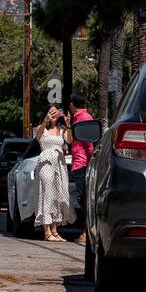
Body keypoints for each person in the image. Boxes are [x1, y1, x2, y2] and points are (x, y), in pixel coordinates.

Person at [33, 106, 76, 241]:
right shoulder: (42, 128)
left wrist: (69, 126)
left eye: (55, 111)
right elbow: (37, 137)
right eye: (50, 111)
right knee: (48, 194)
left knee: (59, 194)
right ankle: (47, 231)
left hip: (60, 163)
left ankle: (55, 231)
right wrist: (46, 121)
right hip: (46, 162)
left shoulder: (62, 130)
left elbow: (69, 141)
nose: (53, 113)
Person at [67, 92, 95, 244]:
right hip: (79, 162)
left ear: (72, 104)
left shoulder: (84, 118)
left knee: (83, 199)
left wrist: (91, 164)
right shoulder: (76, 119)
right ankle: (84, 232)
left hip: (83, 163)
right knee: (81, 198)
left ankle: (86, 233)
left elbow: (89, 144)